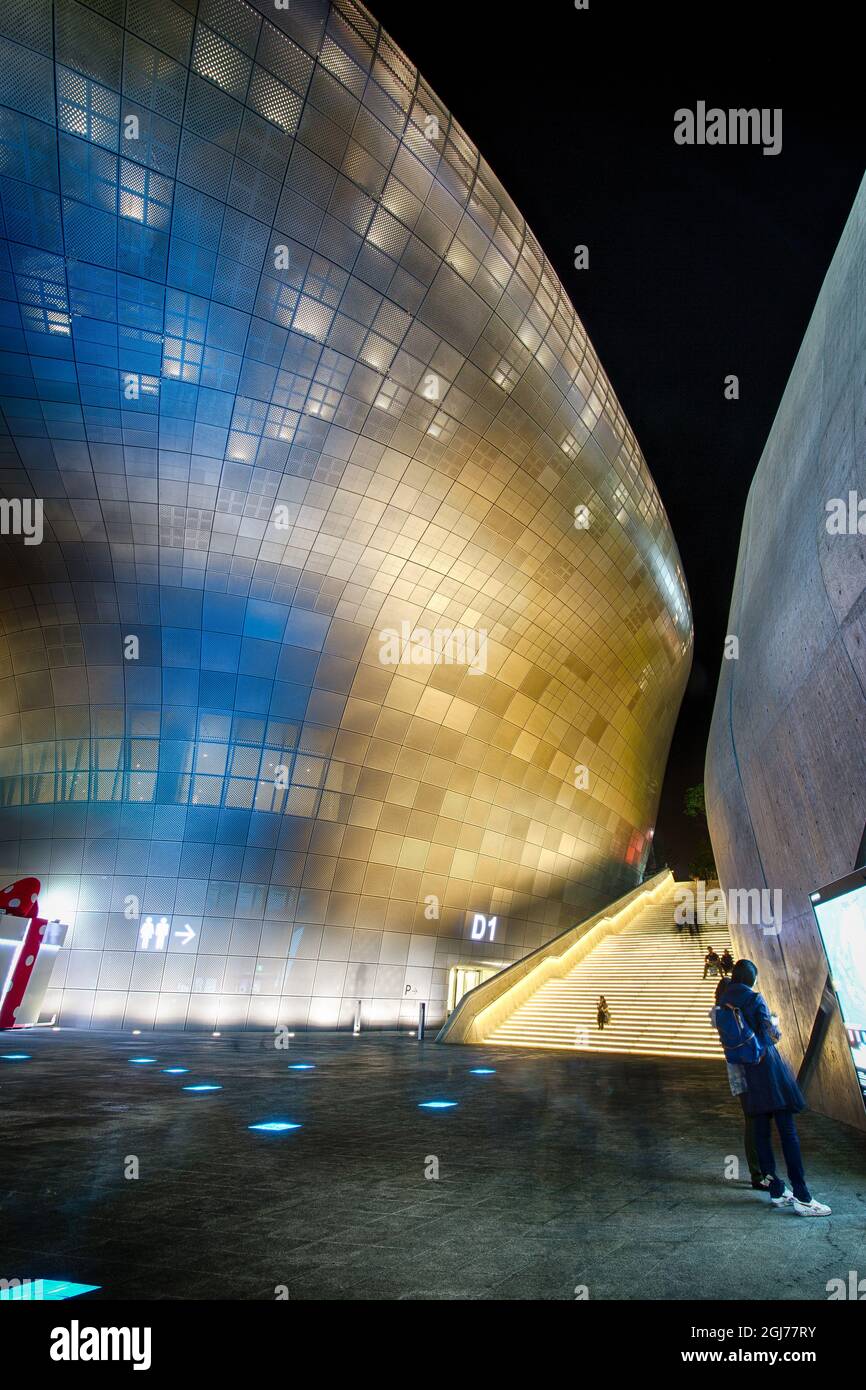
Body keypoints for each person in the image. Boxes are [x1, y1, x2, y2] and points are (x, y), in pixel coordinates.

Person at [715, 960, 831, 1216]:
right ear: (750, 979)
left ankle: (777, 1190)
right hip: (769, 1071)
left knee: (761, 1133)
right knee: (788, 1132)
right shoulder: (754, 999)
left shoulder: (721, 1005)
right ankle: (802, 1196)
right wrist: (775, 1026)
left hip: (747, 1077)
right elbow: (771, 1035)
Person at [712, 979, 768, 1191]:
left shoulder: (718, 1014)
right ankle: (759, 1174)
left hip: (737, 1074)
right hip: (752, 1070)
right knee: (756, 1122)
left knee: (751, 1120)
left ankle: (758, 1172)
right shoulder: (736, 1012)